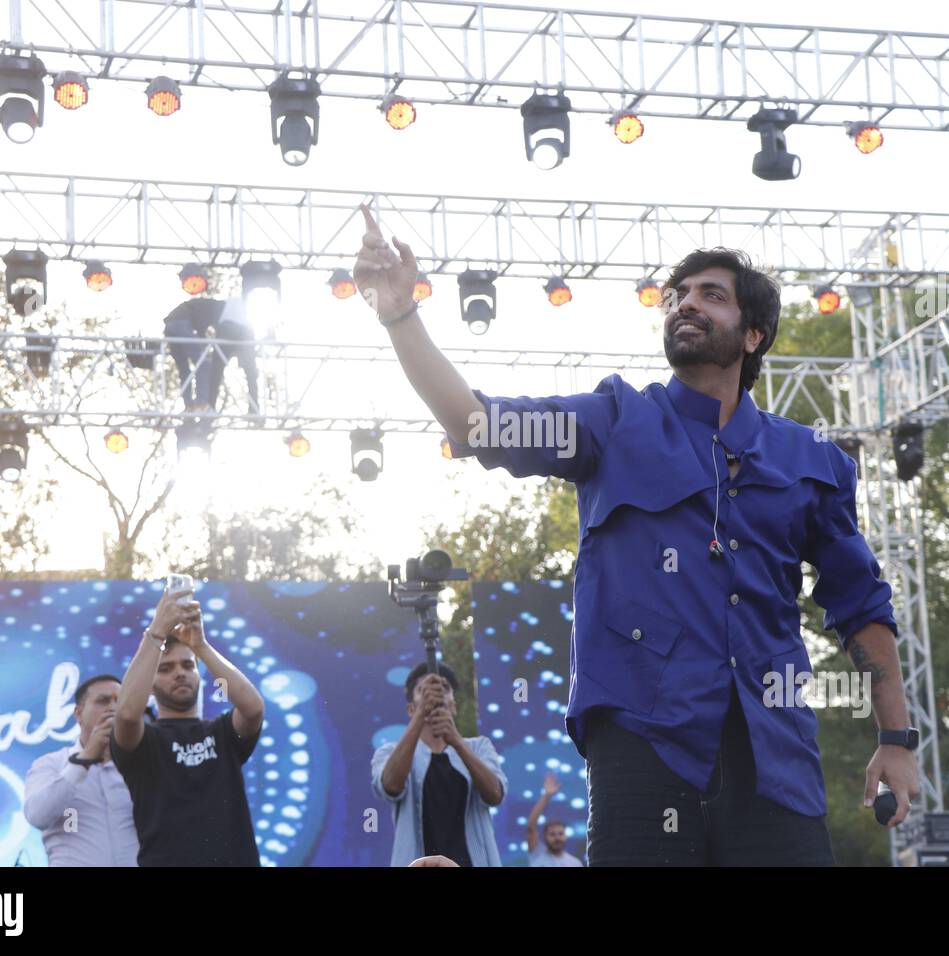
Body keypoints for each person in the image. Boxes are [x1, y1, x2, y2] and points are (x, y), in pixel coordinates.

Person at [354, 204, 920, 866]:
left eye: (712, 295)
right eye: (678, 295)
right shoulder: (613, 421)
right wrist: (400, 314)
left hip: (776, 759)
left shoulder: (812, 460)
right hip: (642, 751)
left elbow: (861, 606)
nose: (686, 304)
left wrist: (896, 739)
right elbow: (475, 423)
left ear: (753, 335)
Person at [109, 586, 265, 866]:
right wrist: (156, 632)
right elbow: (128, 715)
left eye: (187, 665)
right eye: (165, 669)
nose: (180, 673)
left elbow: (253, 708)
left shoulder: (222, 733)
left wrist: (200, 646)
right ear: (150, 686)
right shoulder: (144, 741)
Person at [371, 663, 507, 867]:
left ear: (454, 705)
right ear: (411, 709)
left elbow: (495, 794)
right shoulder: (390, 752)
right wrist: (421, 714)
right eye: (423, 689)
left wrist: (456, 741)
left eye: (445, 687)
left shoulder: (479, 747)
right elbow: (389, 786)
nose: (435, 693)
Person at [22, 674, 138, 866]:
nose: (113, 708)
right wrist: (84, 759)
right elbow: (37, 815)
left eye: (119, 701)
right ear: (78, 713)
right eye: (103, 701)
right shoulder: (51, 764)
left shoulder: (139, 766)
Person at [162, 297, 222, 410]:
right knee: (202, 363)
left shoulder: (210, 305)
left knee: (184, 368)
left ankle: (188, 405)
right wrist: (205, 347)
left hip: (170, 326)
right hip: (181, 323)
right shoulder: (220, 309)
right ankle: (201, 402)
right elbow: (201, 325)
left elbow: (202, 325)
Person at [205, 297, 261, 415]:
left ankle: (210, 406)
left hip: (227, 328)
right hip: (245, 331)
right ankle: (254, 408)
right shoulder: (246, 303)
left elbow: (214, 322)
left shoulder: (222, 305)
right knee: (250, 371)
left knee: (216, 370)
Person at [526, 772, 584, 866]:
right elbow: (531, 827)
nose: (557, 838)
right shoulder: (537, 853)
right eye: (552, 834)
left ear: (566, 836)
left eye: (561, 833)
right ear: (545, 837)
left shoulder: (575, 863)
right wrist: (547, 795)